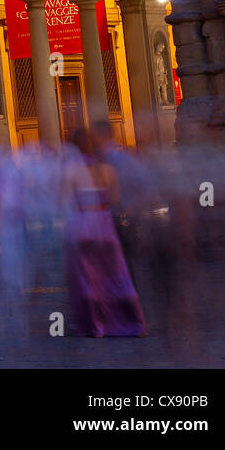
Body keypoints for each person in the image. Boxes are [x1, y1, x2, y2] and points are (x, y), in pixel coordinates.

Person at [61, 128, 147, 337]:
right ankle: (131, 321)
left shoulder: (70, 169)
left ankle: (94, 324)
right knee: (115, 274)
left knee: (86, 276)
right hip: (103, 223)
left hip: (81, 223)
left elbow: (64, 200)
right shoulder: (108, 169)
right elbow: (115, 200)